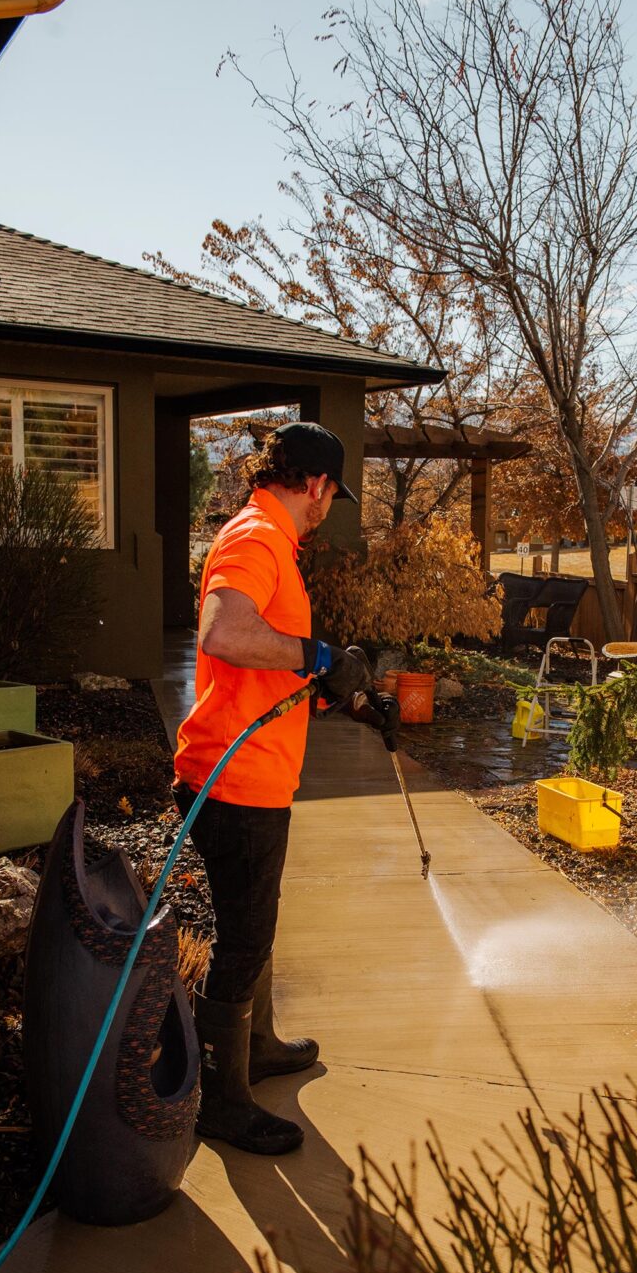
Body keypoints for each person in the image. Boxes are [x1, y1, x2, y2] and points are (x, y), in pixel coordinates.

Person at [172, 421, 398, 1155]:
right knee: (242, 940)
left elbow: (268, 659)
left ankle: (257, 1046)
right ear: (318, 485)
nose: (329, 505)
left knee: (256, 922)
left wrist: (339, 689)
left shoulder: (267, 537)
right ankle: (222, 1100)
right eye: (333, 494)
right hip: (234, 781)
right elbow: (223, 634)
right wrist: (318, 652)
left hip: (252, 775)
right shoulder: (256, 538)